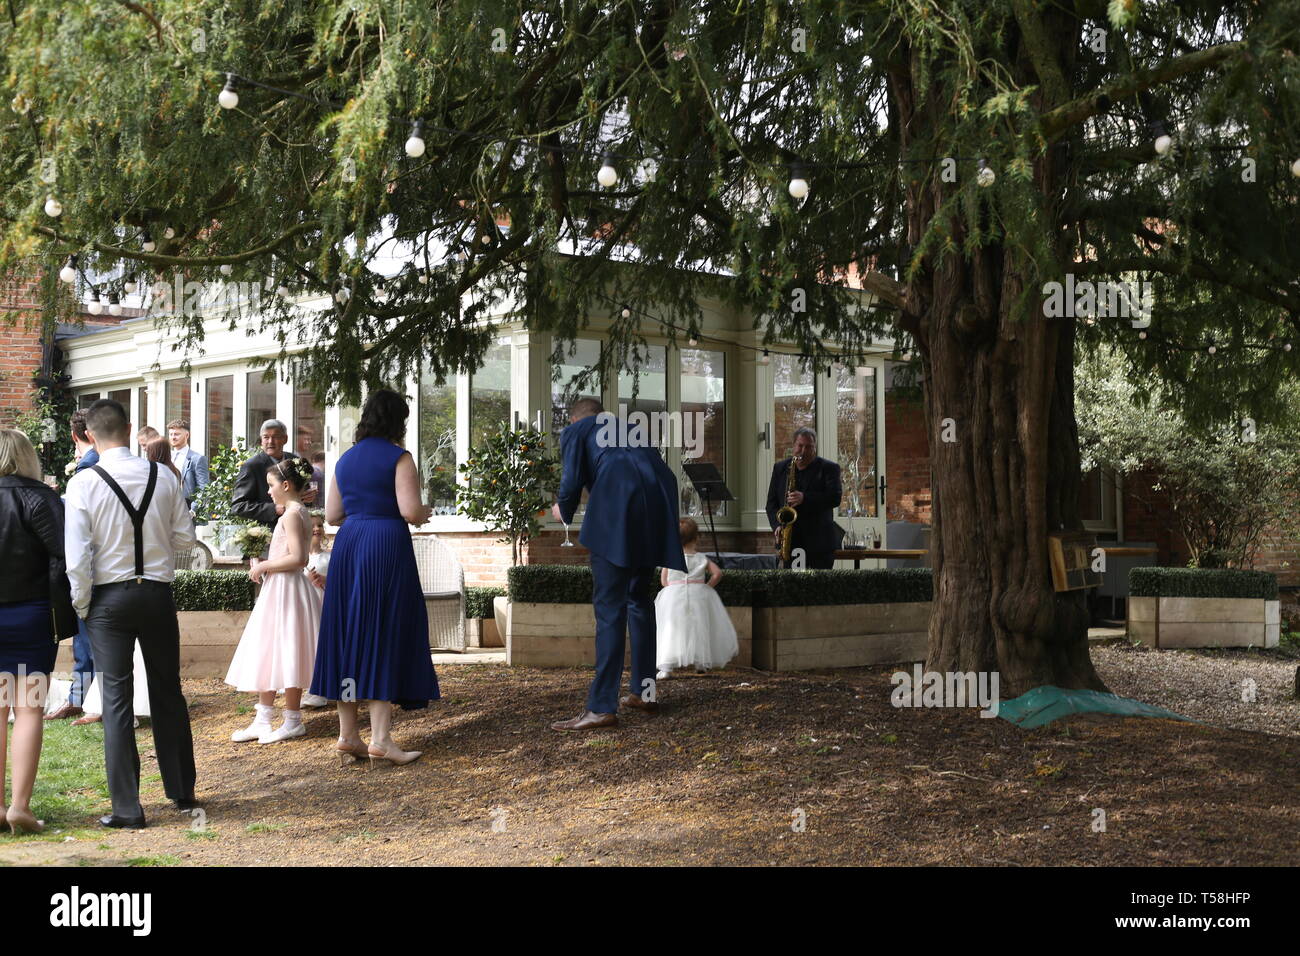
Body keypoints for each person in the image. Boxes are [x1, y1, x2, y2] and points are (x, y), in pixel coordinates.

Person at [64, 399, 198, 829]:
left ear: (89, 436)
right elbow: (185, 539)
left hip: (107, 599)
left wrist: (84, 605)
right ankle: (181, 792)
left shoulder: (83, 483)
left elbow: (76, 558)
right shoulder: (162, 475)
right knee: (167, 691)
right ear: (129, 429)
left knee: (116, 700)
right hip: (157, 594)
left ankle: (127, 808)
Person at [310, 390, 437, 767]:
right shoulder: (399, 457)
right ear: (399, 421)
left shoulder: (345, 460)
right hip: (385, 542)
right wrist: (424, 511)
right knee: (383, 629)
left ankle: (349, 735)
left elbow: (332, 514)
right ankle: (381, 739)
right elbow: (410, 510)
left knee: (348, 632)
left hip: (350, 544)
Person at [550, 398, 686, 732]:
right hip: (657, 507)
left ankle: (600, 708)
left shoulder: (577, 429)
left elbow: (571, 481)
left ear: (574, 417)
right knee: (638, 600)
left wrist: (563, 509)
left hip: (619, 509)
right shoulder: (631, 429)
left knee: (610, 608)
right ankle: (645, 692)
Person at [0, 429, 78, 834]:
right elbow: (64, 557)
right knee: (28, 708)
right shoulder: (40, 497)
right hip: (30, 615)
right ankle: (19, 807)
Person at [225, 458, 321, 743]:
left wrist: (263, 566)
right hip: (280, 588)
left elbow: (298, 558)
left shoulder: (293, 513)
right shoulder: (295, 511)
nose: (268, 492)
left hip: (287, 589)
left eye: (271, 485)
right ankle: (263, 718)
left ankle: (292, 719)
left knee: (288, 649)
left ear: (287, 485)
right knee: (269, 648)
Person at [46, 410, 100, 723]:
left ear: (75, 434)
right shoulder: (93, 462)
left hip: (88, 563)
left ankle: (83, 699)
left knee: (87, 637)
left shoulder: (90, 465)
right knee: (85, 638)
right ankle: (81, 697)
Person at [654, 517, 737, 679]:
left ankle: (666, 667)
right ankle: (701, 663)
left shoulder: (671, 557)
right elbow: (718, 574)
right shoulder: (702, 558)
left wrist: (674, 587)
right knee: (699, 627)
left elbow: (664, 580)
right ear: (696, 537)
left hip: (674, 595)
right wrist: (707, 587)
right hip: (698, 595)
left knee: (672, 628)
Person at [765, 426, 843, 569]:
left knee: (818, 587)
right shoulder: (781, 468)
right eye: (800, 446)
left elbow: (835, 498)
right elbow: (771, 503)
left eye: (809, 447)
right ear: (793, 445)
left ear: (815, 448)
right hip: (791, 540)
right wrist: (776, 526)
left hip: (819, 542)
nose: (803, 451)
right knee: (794, 586)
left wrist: (805, 498)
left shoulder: (829, 468)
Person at [231, 419, 317, 529]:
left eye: (275, 437)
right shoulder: (252, 466)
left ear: (285, 439)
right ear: (261, 440)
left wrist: (309, 498)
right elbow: (238, 506)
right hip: (267, 533)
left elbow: (302, 493)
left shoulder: (295, 461)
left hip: (298, 525)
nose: (270, 441)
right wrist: (273, 509)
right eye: (266, 437)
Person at [165, 420, 210, 510]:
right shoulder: (167, 457)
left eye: (177, 434)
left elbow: (204, 489)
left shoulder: (197, 459)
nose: (173, 437)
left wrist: (192, 511)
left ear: (187, 435)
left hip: (187, 512)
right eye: (171, 434)